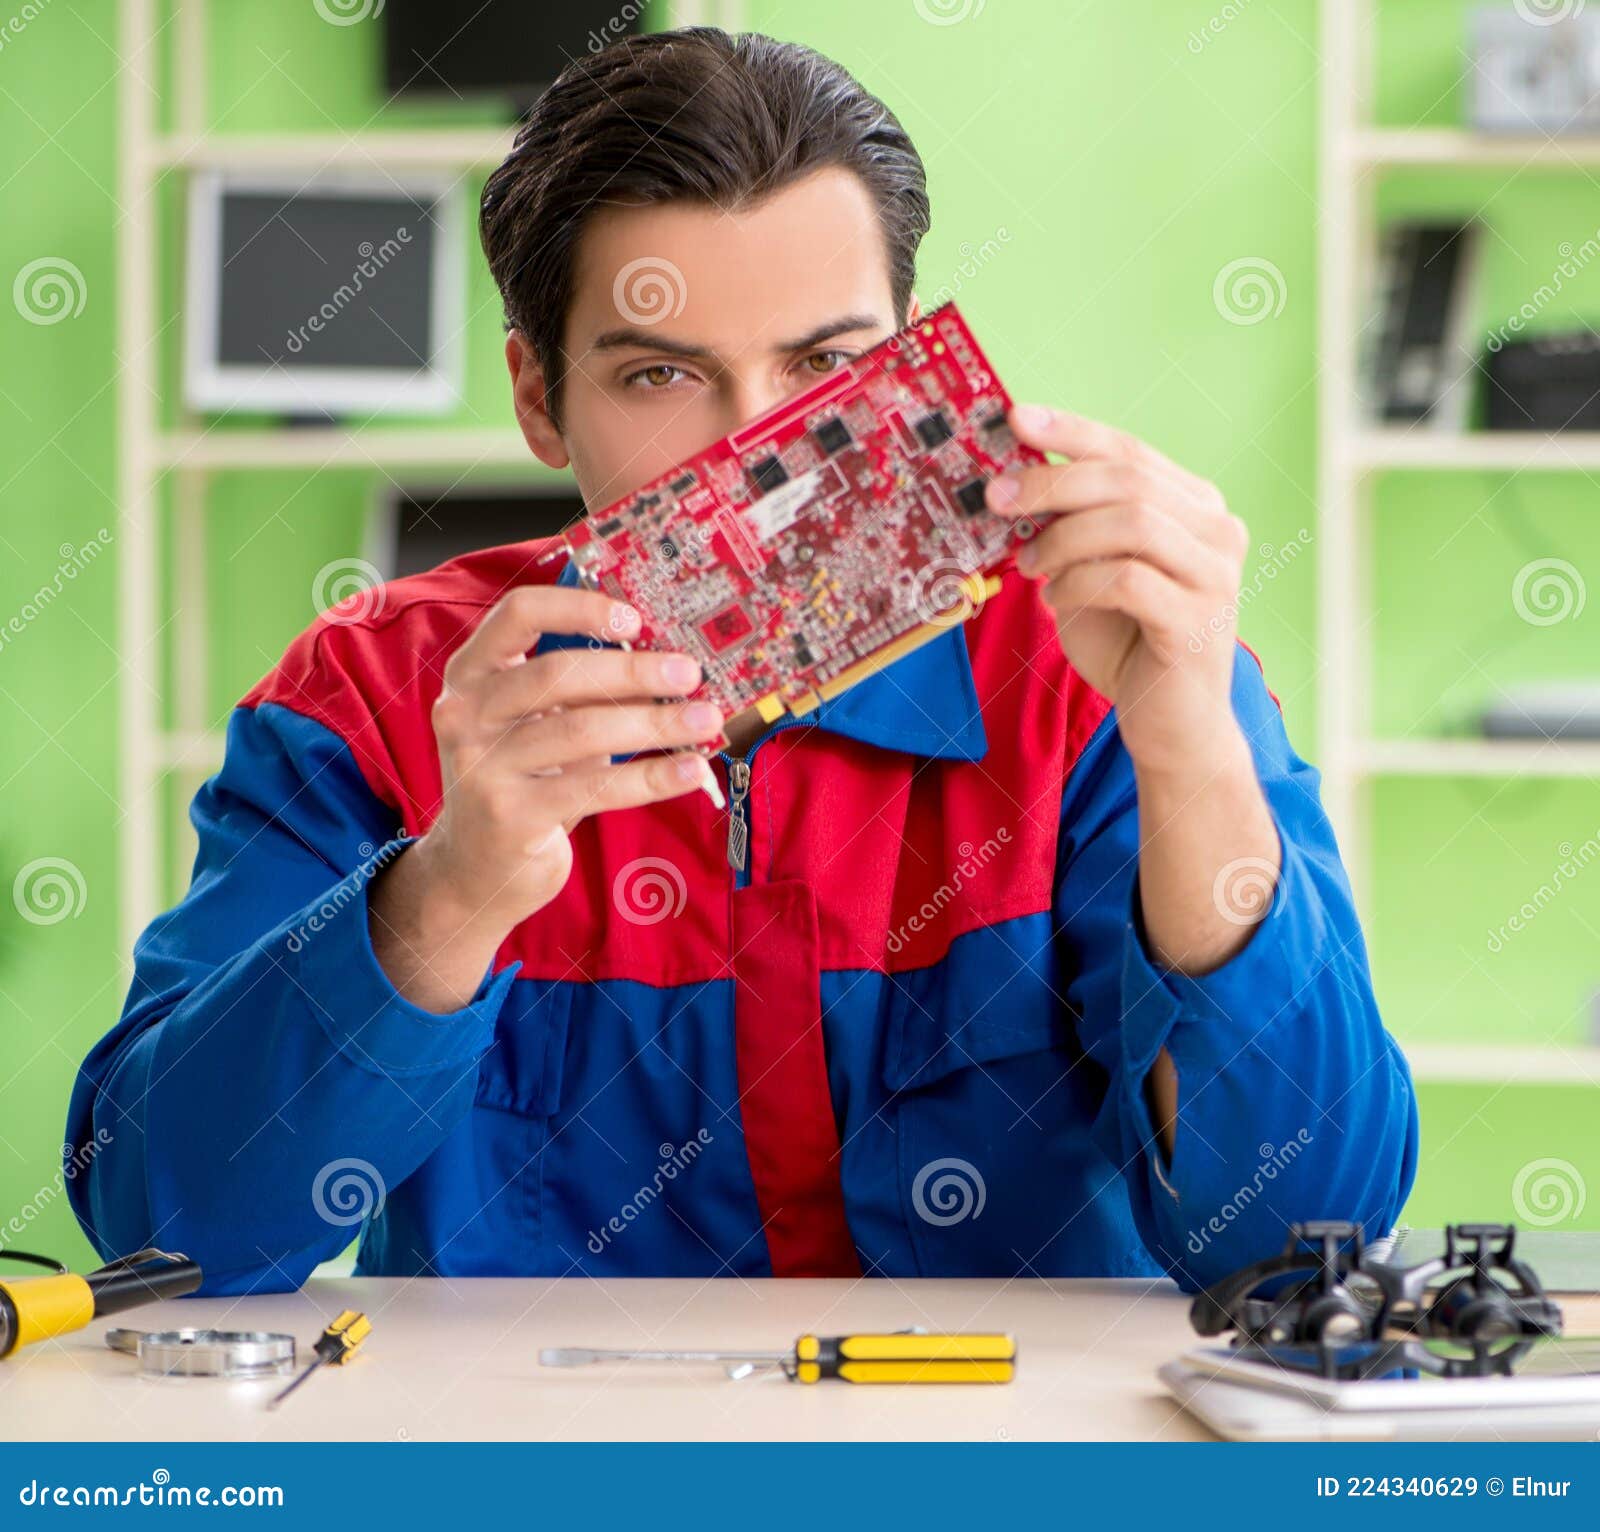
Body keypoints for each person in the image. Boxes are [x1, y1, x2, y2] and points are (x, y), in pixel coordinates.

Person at [67, 28, 1416, 1294]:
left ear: (909, 361)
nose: (756, 457)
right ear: (540, 399)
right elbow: (165, 1233)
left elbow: (1305, 1243)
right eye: (661, 375)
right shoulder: (365, 700)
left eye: (827, 363)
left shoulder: (1107, 670)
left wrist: (1188, 743)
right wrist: (449, 895)